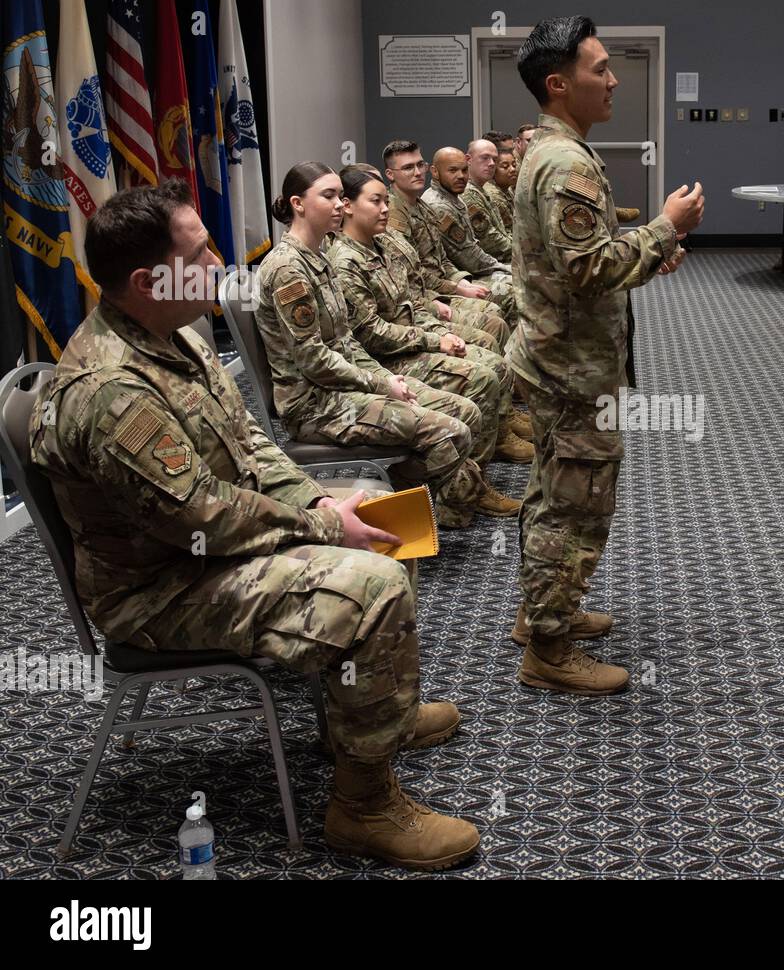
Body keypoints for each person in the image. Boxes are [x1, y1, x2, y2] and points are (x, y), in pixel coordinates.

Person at [30, 180, 478, 870]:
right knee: (372, 585)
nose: (220, 259)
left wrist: (324, 507)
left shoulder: (173, 332)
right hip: (159, 590)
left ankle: (367, 714)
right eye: (202, 249)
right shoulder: (112, 390)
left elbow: (251, 446)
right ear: (152, 279)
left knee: (378, 519)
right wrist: (324, 531)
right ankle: (364, 808)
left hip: (199, 551)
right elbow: (200, 513)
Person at [511, 15, 703, 693]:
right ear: (560, 84)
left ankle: (542, 615)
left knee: (549, 492)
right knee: (575, 505)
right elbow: (587, 270)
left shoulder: (553, 150)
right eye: (600, 69)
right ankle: (551, 652)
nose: (613, 79)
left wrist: (651, 252)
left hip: (556, 355)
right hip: (570, 366)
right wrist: (664, 228)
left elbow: (579, 261)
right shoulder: (565, 161)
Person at [254, 162, 495, 529]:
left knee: (467, 412)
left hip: (345, 385)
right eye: (328, 196)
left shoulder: (317, 257)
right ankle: (432, 519)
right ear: (298, 204)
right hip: (314, 403)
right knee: (451, 431)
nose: (339, 205)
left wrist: (388, 380)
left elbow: (346, 342)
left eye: (340, 195)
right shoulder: (289, 269)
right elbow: (314, 360)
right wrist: (383, 384)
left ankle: (415, 502)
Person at [326, 165, 534, 479]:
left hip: (411, 341)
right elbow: (370, 335)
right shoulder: (345, 261)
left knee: (494, 362)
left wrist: (440, 332)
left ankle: (478, 464)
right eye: (375, 202)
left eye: (386, 201)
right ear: (349, 207)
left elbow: (413, 304)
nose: (385, 209)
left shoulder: (382, 246)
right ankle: (465, 484)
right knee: (482, 377)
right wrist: (436, 340)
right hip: (386, 359)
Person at [383, 138, 516, 330]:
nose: (418, 172)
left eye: (420, 165)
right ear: (390, 174)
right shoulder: (394, 215)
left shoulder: (423, 207)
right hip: (423, 296)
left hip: (442, 284)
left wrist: (460, 281)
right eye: (408, 168)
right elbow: (412, 275)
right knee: (499, 308)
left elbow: (441, 260)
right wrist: (458, 288)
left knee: (502, 302)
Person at [422, 148, 519, 326]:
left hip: (463, 272)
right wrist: (505, 268)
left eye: (464, 170)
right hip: (463, 275)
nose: (461, 176)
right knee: (516, 290)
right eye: (452, 170)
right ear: (435, 172)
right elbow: (469, 257)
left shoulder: (454, 197)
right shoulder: (439, 205)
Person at [462, 139, 514, 263]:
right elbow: (489, 240)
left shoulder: (482, 189)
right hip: (488, 262)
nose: (491, 163)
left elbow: (502, 231)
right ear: (468, 160)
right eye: (485, 158)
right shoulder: (468, 192)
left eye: (494, 159)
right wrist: (520, 251)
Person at [487, 147, 517, 235]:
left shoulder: (507, 189)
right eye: (505, 166)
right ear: (493, 170)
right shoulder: (494, 195)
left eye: (514, 165)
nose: (512, 169)